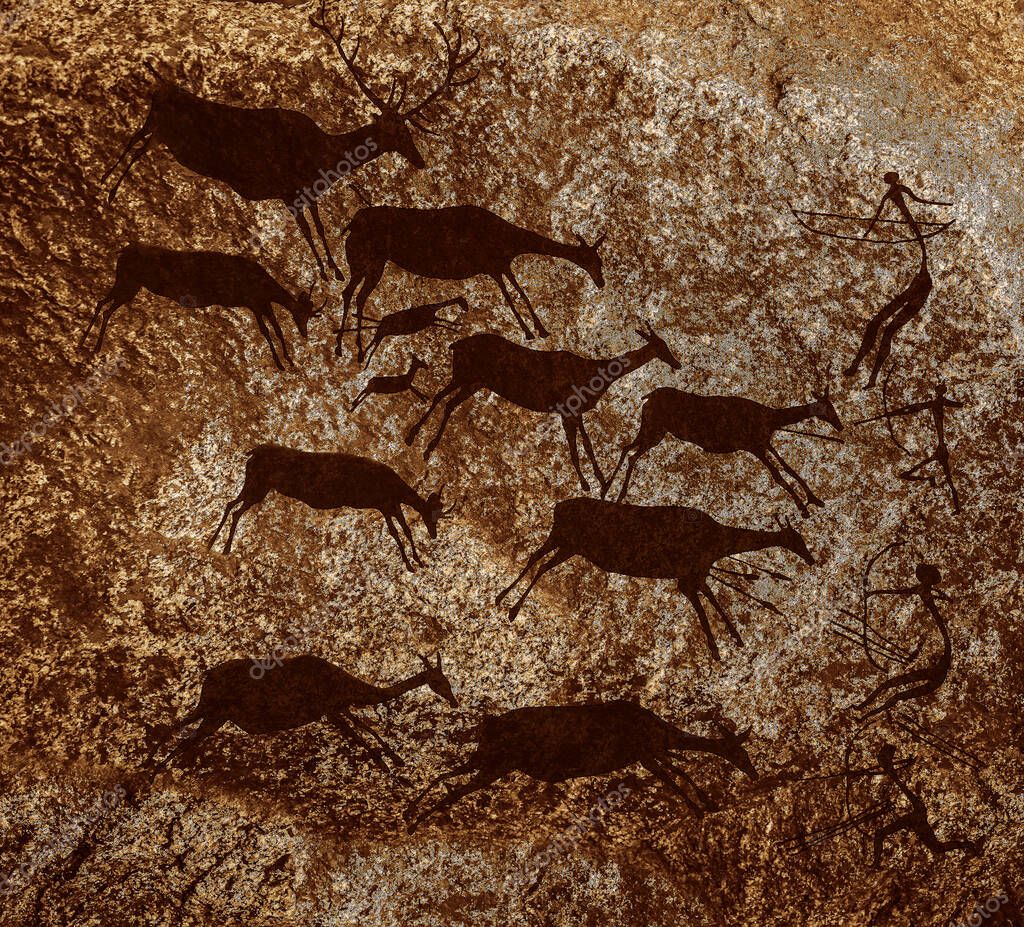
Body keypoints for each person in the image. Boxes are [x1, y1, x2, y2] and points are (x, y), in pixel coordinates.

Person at [853, 562, 952, 719]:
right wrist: (874, 592)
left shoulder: (930, 592)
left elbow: (941, 601)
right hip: (941, 660)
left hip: (941, 662)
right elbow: (895, 591)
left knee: (896, 694)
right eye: (925, 576)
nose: (926, 580)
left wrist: (945, 599)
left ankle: (864, 714)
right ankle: (861, 709)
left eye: (929, 577)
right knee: (889, 686)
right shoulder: (921, 589)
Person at [856, 382, 963, 511]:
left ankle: (956, 507)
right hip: (939, 448)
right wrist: (882, 416)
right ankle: (930, 479)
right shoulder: (933, 403)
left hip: (941, 448)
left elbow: (960, 405)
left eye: (942, 390)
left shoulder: (941, 402)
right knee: (907, 475)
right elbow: (909, 409)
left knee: (949, 480)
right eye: (939, 389)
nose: (940, 392)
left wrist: (881, 416)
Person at [871, 743, 979, 866]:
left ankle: (875, 862)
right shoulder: (918, 820)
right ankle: (875, 862)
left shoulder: (918, 820)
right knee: (882, 832)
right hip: (917, 819)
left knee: (882, 833)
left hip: (917, 819)